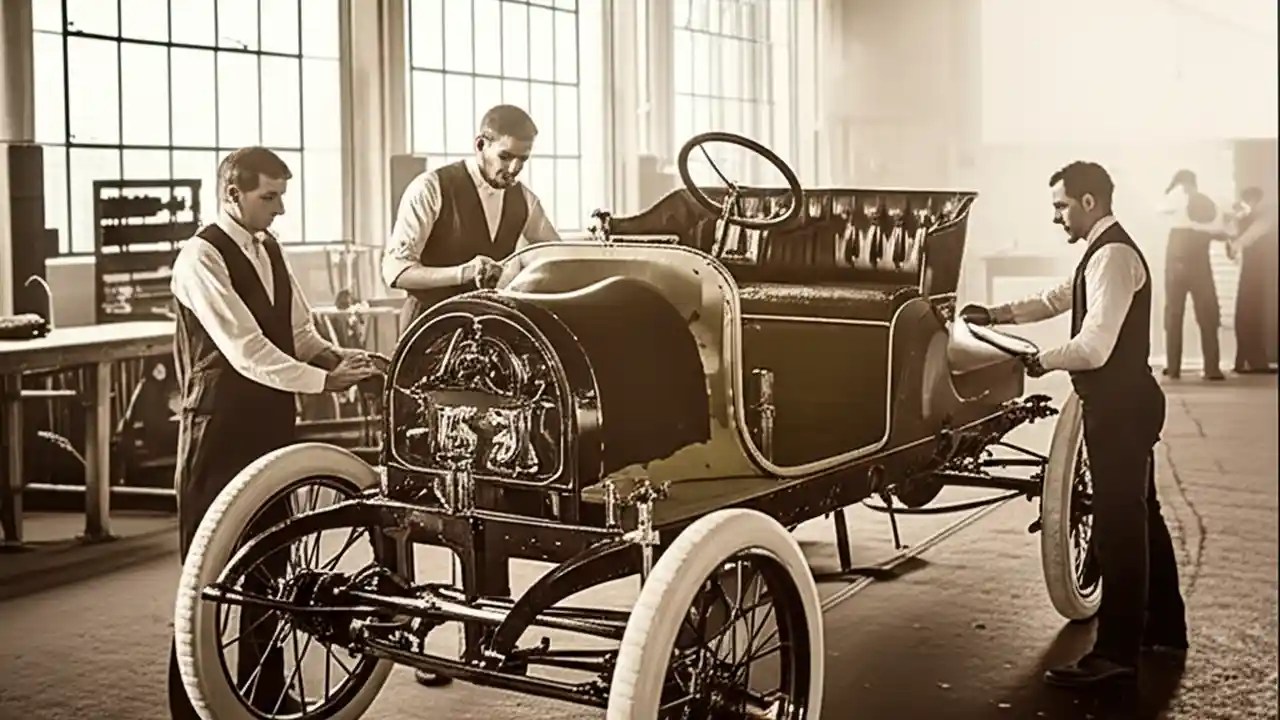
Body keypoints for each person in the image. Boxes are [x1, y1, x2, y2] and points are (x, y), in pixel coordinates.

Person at [166, 146, 383, 717]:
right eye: (270, 197)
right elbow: (247, 350)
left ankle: (266, 689)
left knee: (271, 566)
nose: (280, 209)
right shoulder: (200, 258)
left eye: (283, 195)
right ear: (231, 194)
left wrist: (339, 358)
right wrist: (323, 382)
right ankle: (190, 706)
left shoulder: (270, 248)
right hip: (217, 428)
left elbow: (298, 330)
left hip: (270, 427)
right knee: (204, 575)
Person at [962, 161, 1188, 688]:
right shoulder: (1101, 250)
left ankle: (1115, 655)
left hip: (1121, 409)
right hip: (1125, 405)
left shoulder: (1111, 255)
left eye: (1062, 206)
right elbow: (1054, 298)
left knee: (1119, 529)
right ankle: (1164, 628)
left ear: (1090, 202)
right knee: (1142, 519)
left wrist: (1039, 360)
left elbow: (1093, 347)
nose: (1057, 217)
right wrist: (993, 315)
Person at [382, 104, 562, 330]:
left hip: (489, 331)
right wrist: (464, 273)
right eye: (505, 157)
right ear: (480, 145)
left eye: (523, 159)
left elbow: (556, 257)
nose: (514, 168)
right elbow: (396, 271)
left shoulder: (525, 200)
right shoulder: (431, 188)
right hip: (429, 328)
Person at [1157, 169, 1227, 380]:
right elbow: (1219, 230)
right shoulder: (1207, 202)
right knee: (1208, 314)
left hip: (1175, 262)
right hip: (1199, 264)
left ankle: (1174, 367)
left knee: (1173, 316)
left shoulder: (1171, 201)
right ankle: (1212, 368)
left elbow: (1159, 215)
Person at [1227, 187, 1278, 373]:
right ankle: (1251, 359)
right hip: (1258, 271)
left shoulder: (1261, 217)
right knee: (1252, 311)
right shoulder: (1256, 217)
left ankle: (1247, 358)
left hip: (1254, 271)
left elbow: (1243, 240)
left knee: (1248, 310)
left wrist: (1234, 243)